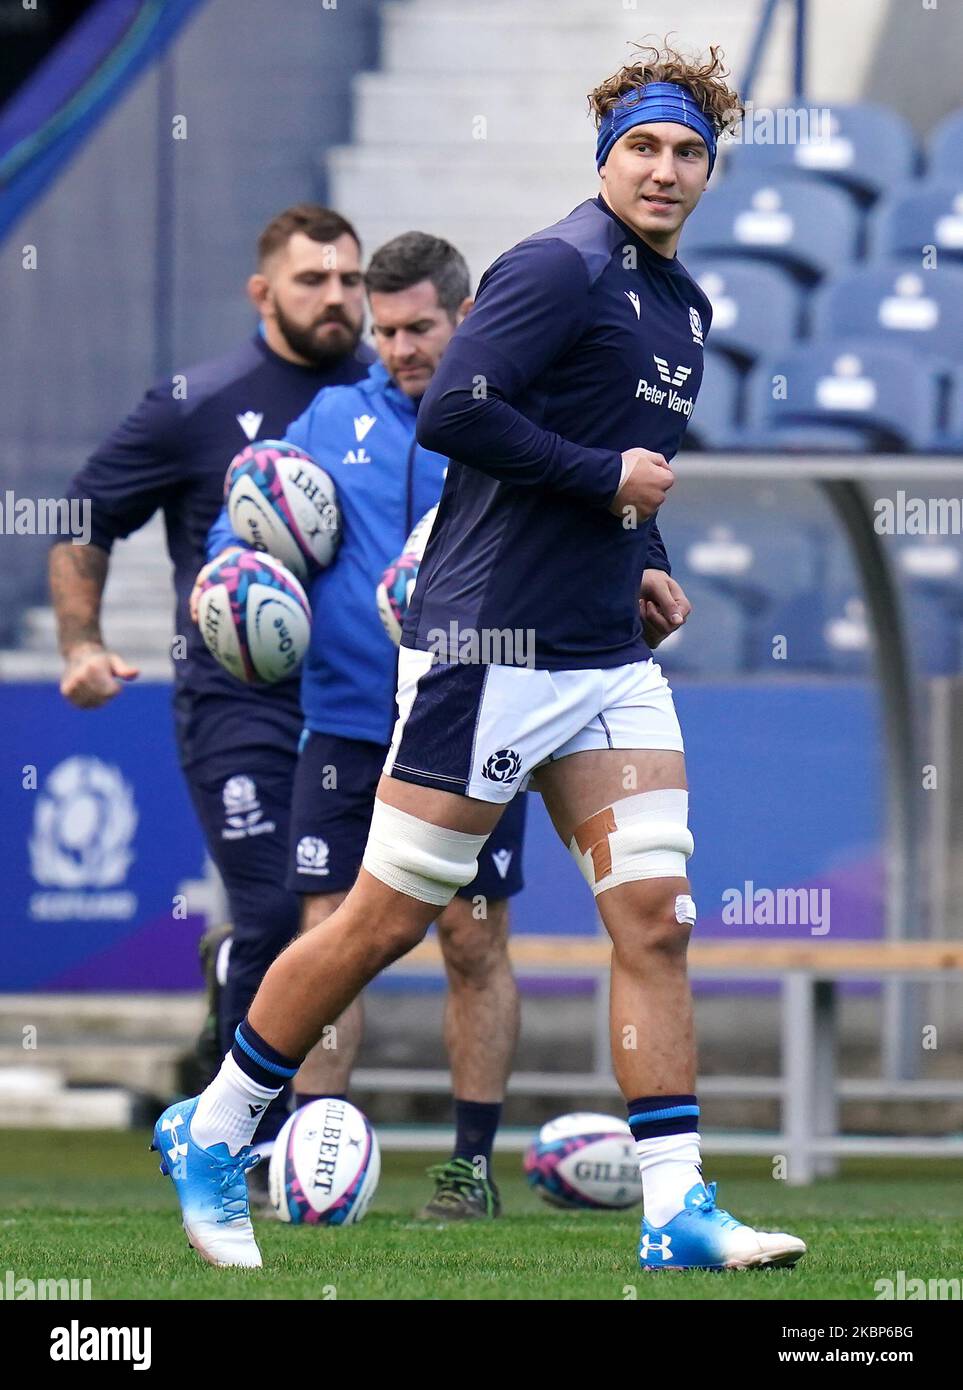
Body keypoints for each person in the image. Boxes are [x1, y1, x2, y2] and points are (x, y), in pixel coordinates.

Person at [153, 41, 806, 1273]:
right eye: (642, 148)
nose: (664, 170)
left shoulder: (683, 305)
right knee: (384, 920)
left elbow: (620, 456)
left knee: (657, 921)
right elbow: (456, 409)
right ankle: (219, 1127)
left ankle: (677, 1210)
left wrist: (645, 542)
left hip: (606, 656)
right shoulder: (556, 266)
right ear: (605, 158)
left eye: (686, 152)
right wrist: (608, 480)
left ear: (711, 169)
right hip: (489, 646)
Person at [199, 232, 527, 1219]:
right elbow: (243, 526)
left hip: (473, 717)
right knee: (331, 936)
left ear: (464, 318)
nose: (400, 349)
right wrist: (232, 581)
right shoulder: (333, 415)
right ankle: (309, 1163)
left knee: (472, 942)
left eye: (419, 328)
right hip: (344, 725)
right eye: (385, 331)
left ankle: (468, 1173)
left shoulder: (511, 420)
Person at [51, 204, 374, 1159]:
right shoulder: (198, 399)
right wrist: (80, 641)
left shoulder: (382, 398)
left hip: (354, 703)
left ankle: (248, 1025)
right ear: (261, 290)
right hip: (235, 701)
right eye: (312, 280)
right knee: (276, 911)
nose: (335, 298)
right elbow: (86, 510)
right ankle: (246, 1148)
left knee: (333, 923)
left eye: (349, 280)